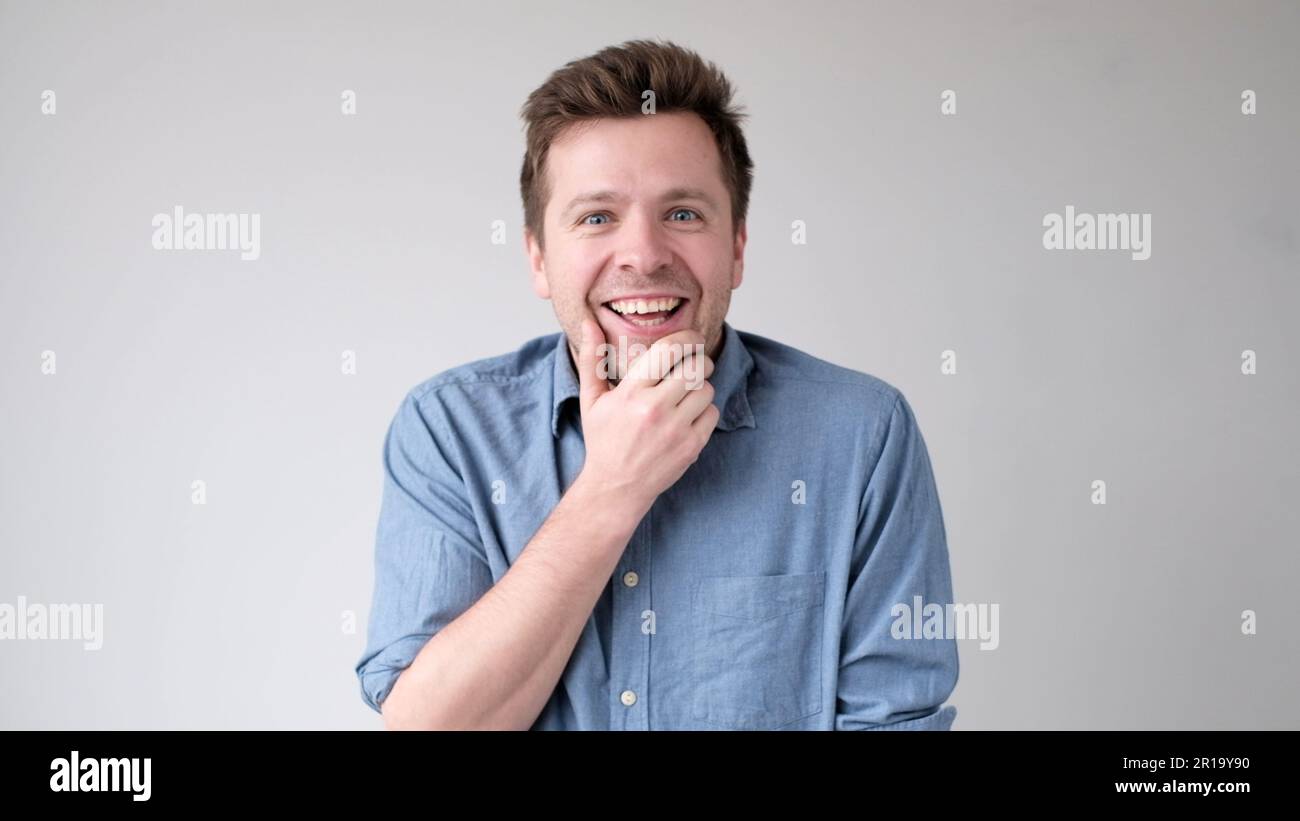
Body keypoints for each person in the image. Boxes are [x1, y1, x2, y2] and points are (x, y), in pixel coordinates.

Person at [355, 38, 958, 730]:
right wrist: (613, 486)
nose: (642, 255)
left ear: (736, 248)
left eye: (682, 214)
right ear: (539, 259)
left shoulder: (863, 434)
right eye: (596, 217)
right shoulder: (447, 430)